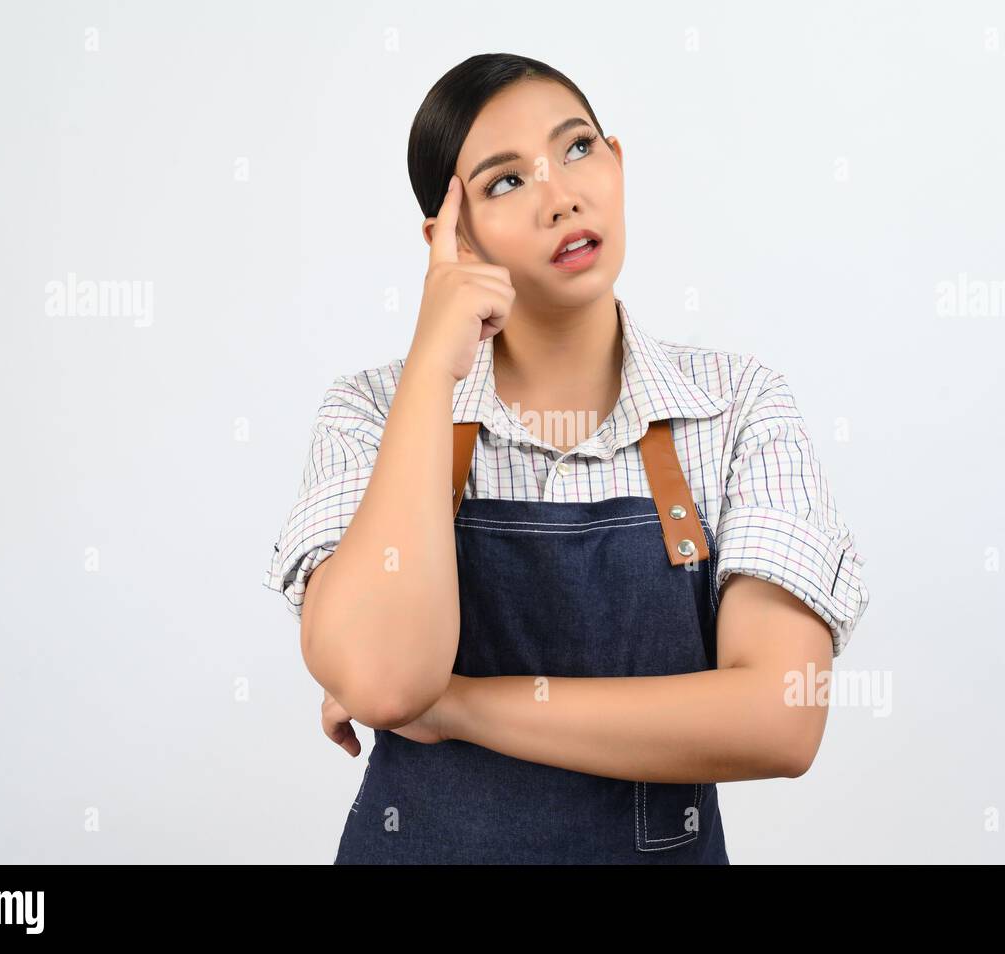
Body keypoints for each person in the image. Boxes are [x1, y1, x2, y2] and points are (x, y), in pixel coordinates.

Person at [263, 53, 870, 864]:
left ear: (617, 162)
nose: (562, 197)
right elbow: (380, 680)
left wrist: (455, 708)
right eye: (506, 182)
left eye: (577, 149)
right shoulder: (372, 414)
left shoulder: (734, 407)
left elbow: (781, 719)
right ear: (451, 237)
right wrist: (430, 366)